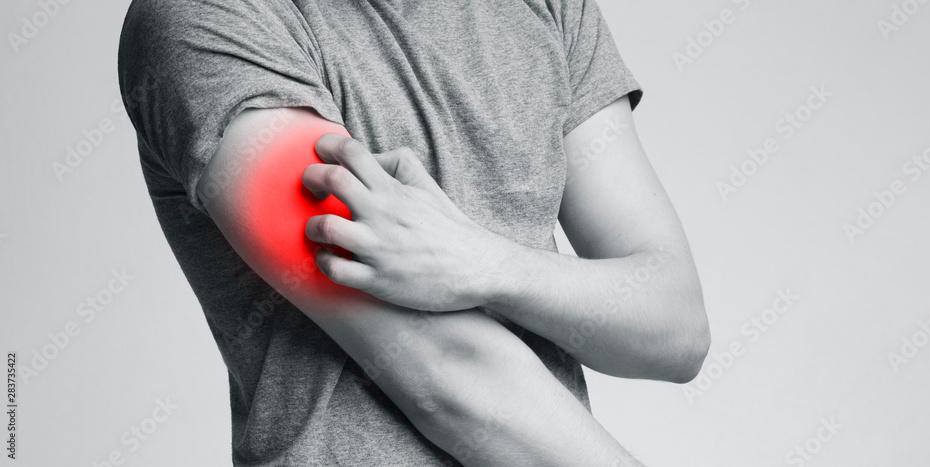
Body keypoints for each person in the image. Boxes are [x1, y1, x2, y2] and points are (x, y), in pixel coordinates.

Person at [118, 0, 710, 465]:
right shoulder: (209, 17)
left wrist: (492, 267)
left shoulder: (549, 9)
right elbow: (442, 374)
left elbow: (674, 327)